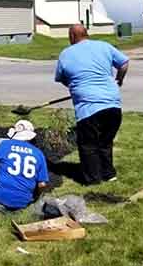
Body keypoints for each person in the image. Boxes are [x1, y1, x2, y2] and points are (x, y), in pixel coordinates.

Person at [55, 24, 129, 185]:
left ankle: (93, 179)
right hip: (113, 105)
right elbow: (124, 64)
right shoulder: (104, 46)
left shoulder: (66, 54)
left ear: (73, 36)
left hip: (88, 108)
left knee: (88, 145)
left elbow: (61, 78)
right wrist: (119, 79)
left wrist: (76, 86)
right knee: (105, 142)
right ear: (86, 34)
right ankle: (109, 174)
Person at [0, 120, 49, 213]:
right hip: (23, 201)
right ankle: (13, 211)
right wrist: (37, 196)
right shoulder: (38, 153)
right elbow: (42, 184)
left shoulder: (4, 145)